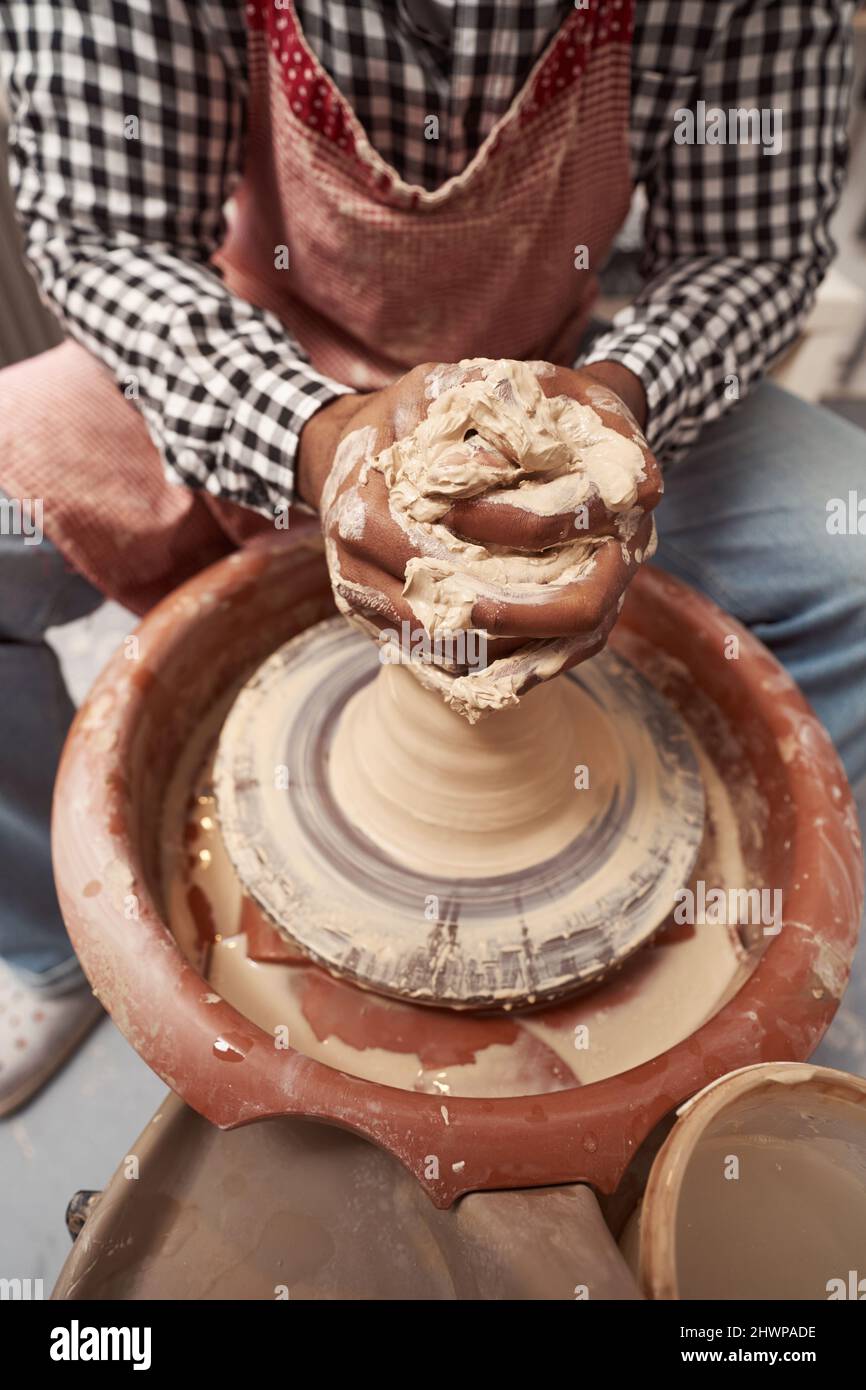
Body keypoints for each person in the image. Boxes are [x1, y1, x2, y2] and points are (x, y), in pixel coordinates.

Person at [0, 0, 863, 1113]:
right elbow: (109, 238)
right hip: (257, 353)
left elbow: (745, 248)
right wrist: (313, 438)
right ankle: (49, 945)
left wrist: (609, 414)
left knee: (851, 559)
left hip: (562, 370)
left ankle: (797, 1013)